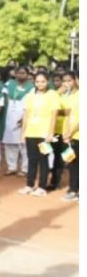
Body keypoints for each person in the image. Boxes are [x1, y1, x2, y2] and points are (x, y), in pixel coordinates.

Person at [20, 70, 60, 197]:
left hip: (44, 133)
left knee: (43, 160)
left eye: (42, 81)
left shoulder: (52, 94)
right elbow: (26, 114)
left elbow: (54, 115)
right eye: (37, 81)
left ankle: (42, 187)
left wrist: (51, 133)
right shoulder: (30, 95)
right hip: (31, 132)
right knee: (31, 159)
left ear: (47, 81)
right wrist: (23, 132)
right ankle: (29, 185)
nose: (40, 84)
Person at [1, 65, 32, 175]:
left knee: (23, 145)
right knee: (10, 143)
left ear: (27, 75)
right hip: (9, 115)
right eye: (19, 73)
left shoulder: (31, 87)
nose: (21, 75)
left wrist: (25, 117)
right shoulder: (10, 84)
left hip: (23, 114)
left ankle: (25, 169)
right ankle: (12, 167)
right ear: (15, 73)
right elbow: (3, 97)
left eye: (23, 73)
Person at [60, 73, 79, 202]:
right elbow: (63, 113)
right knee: (71, 164)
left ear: (76, 80)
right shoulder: (67, 96)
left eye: (70, 80)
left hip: (77, 135)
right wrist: (66, 134)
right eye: (65, 81)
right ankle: (73, 189)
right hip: (68, 136)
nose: (67, 83)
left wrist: (71, 131)